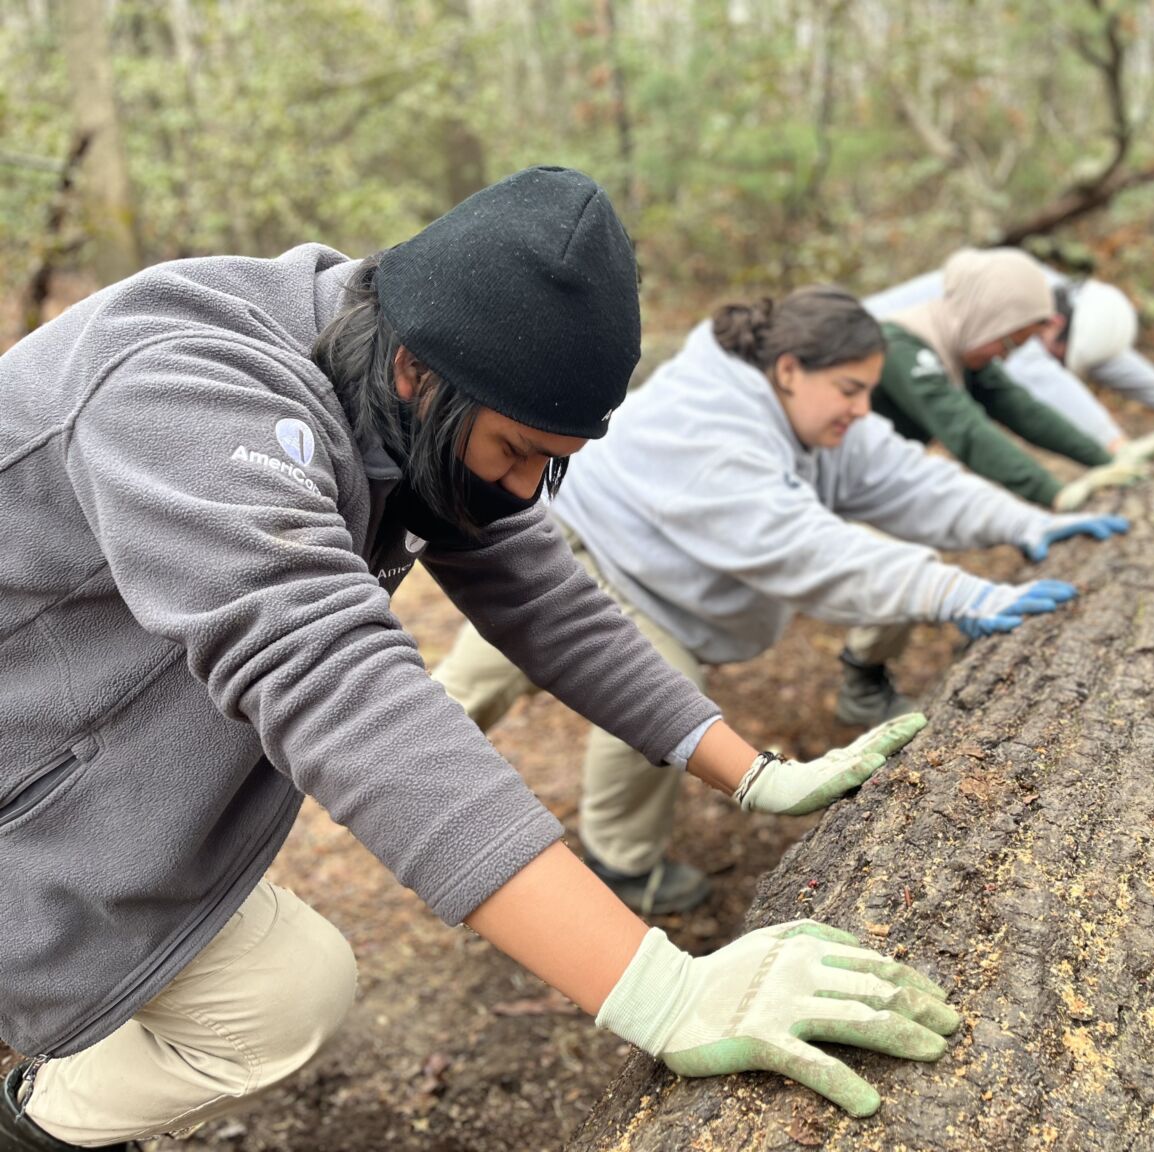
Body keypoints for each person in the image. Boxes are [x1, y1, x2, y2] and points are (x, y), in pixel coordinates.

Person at [0, 168, 953, 1150]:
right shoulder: (183, 388)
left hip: (80, 783)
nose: (528, 487)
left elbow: (549, 601)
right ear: (416, 376)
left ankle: (51, 1110)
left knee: (282, 995)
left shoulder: (408, 373)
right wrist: (664, 993)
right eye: (518, 450)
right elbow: (329, 674)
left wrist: (752, 773)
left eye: (555, 461)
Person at [431, 285, 1129, 902]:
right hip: (578, 544)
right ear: (790, 369)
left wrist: (1029, 522)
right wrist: (955, 592)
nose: (862, 408)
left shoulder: (816, 417)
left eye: (868, 391)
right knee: (547, 690)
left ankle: (605, 854)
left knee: (611, 683)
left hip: (644, 570)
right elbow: (803, 548)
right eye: (851, 389)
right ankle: (467, 811)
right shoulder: (712, 420)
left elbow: (913, 480)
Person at [864, 256, 1154, 455]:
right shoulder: (1016, 308)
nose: (1055, 361)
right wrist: (1116, 447)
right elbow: (1044, 381)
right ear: (1055, 324)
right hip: (866, 356)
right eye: (1059, 355)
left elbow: (1110, 359)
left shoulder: (1061, 298)